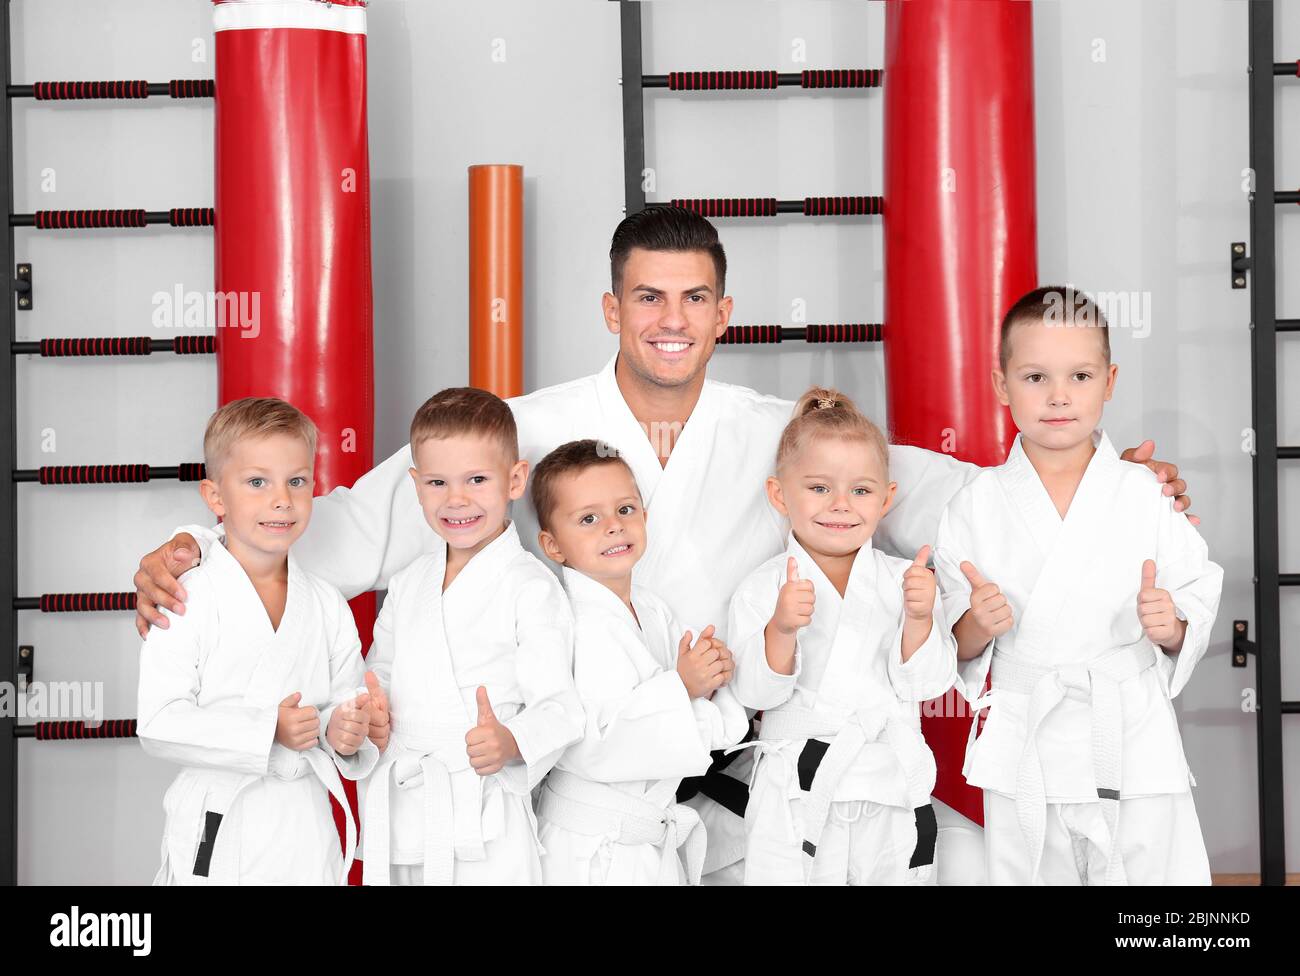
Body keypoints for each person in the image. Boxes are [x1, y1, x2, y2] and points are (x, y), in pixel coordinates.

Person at [131, 208, 1196, 885]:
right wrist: (192, 541)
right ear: (612, 305)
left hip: (746, 772)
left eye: (693, 297)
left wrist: (1098, 471)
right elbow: (347, 525)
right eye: (648, 295)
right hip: (584, 793)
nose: (670, 318)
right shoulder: (524, 428)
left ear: (724, 311)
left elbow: (936, 484)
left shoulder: (770, 432)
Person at [933, 286, 1222, 885]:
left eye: (1080, 375)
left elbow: (1195, 583)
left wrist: (1174, 627)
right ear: (1001, 384)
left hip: (1132, 730)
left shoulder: (1145, 493)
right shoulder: (975, 504)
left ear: (1110, 380)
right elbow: (948, 642)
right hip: (1025, 735)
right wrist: (972, 627)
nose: (1059, 396)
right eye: (1035, 377)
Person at [137, 397, 378, 884]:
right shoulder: (187, 595)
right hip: (220, 820)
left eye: (297, 481)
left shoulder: (327, 603)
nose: (281, 500)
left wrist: (342, 732)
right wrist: (268, 729)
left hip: (304, 824)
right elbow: (158, 722)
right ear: (215, 497)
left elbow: (343, 701)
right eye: (256, 482)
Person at [729, 388, 957, 885]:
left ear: (886, 499)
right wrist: (781, 629)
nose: (841, 505)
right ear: (778, 494)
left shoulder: (906, 579)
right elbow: (754, 693)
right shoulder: (763, 587)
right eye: (818, 488)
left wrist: (919, 619)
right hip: (795, 788)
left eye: (860, 490)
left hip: (890, 783)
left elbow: (929, 685)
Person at [357, 387, 584, 885]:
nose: (456, 499)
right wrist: (371, 710)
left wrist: (510, 741)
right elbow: (382, 672)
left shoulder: (531, 586)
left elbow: (560, 707)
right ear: (415, 486)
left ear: (515, 479)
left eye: (477, 479)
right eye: (437, 482)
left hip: (486, 815)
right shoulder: (408, 582)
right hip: (405, 809)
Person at [529, 439, 748, 884]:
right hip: (588, 847)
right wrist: (684, 689)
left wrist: (710, 676)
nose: (613, 526)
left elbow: (707, 721)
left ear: (646, 517)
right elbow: (596, 744)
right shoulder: (571, 622)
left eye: (625, 510)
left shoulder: (653, 610)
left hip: (642, 835)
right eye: (588, 519)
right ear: (552, 545)